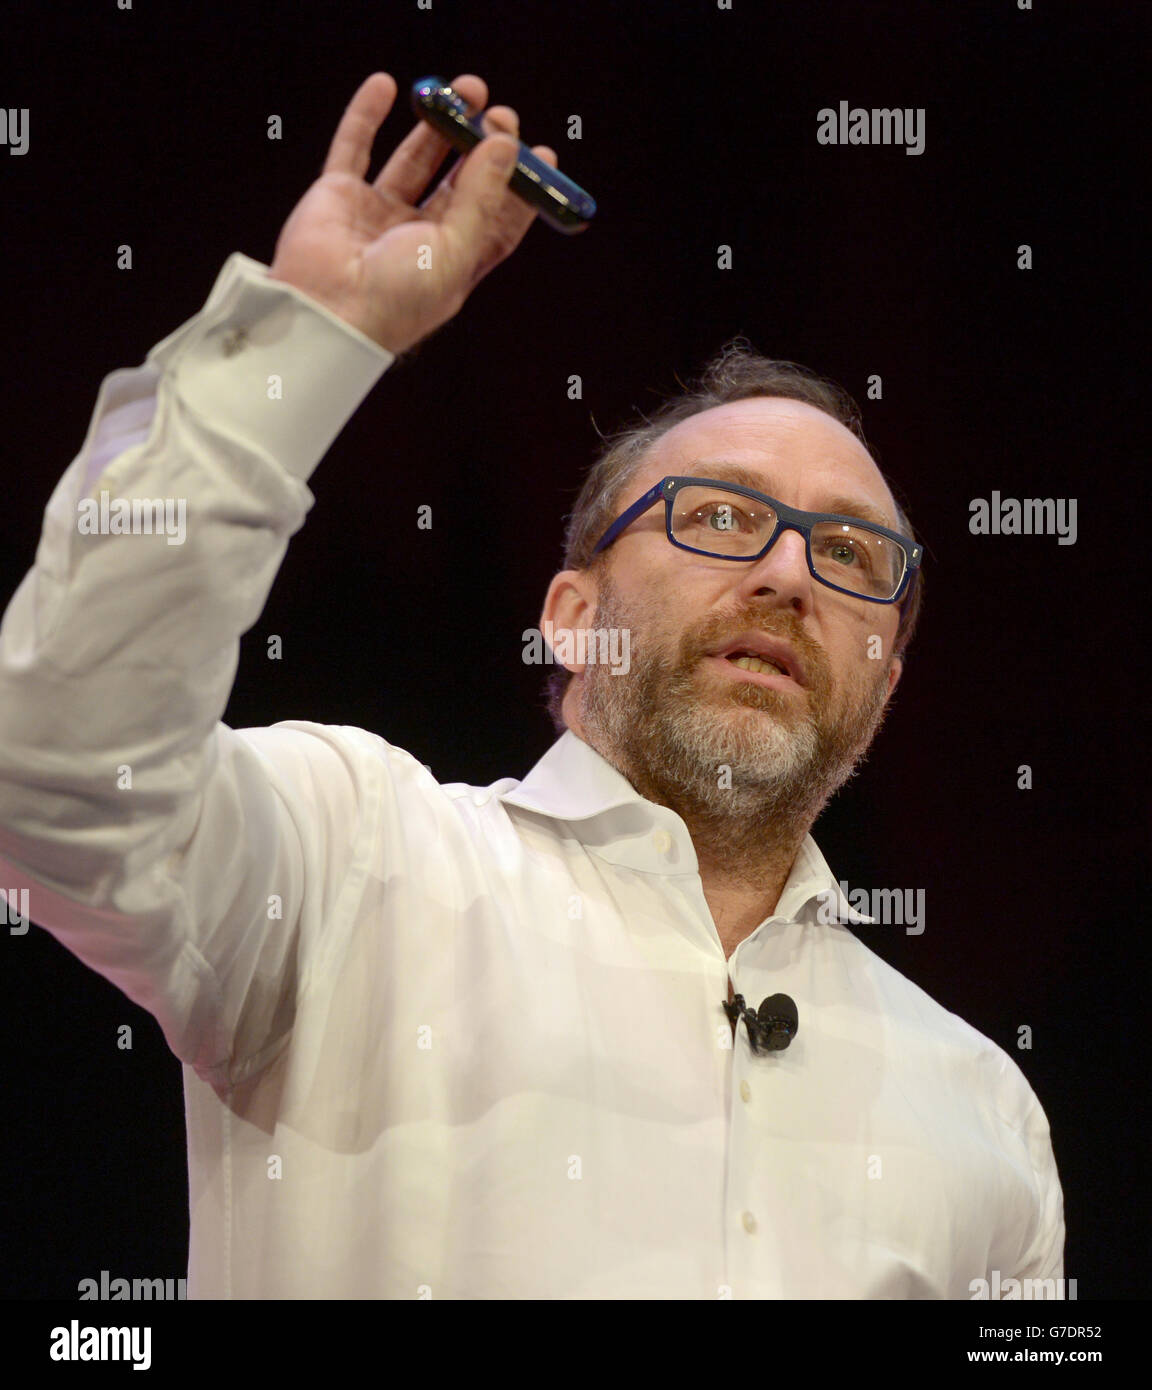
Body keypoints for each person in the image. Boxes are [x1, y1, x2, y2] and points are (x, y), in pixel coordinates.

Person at [0, 70, 1063, 1300]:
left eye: (852, 555)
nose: (787, 573)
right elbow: (52, 760)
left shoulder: (985, 1115)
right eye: (719, 514)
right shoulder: (351, 860)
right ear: (571, 615)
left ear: (888, 669)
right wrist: (301, 338)